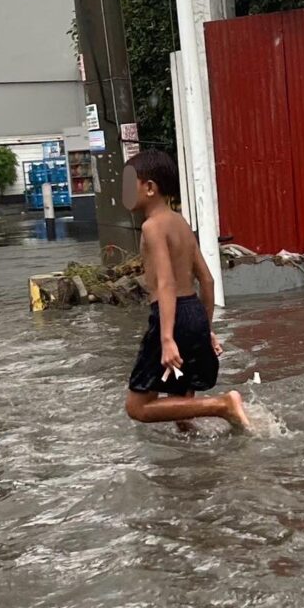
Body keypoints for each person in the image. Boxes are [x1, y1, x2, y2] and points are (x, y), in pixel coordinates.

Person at [123, 149, 251, 431]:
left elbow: (166, 282)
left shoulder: (152, 226)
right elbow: (207, 280)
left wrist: (167, 337)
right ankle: (195, 470)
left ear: (149, 188)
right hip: (193, 311)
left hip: (171, 315)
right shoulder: (181, 223)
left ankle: (223, 405)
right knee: (181, 412)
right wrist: (205, 328)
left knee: (138, 407)